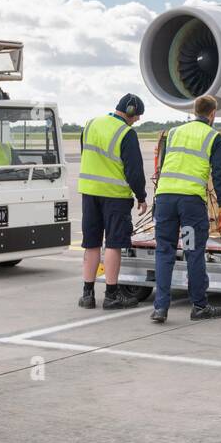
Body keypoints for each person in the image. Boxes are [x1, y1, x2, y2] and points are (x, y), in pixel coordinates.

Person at [150, 93, 221, 323]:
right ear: (212, 114)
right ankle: (199, 306)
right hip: (190, 204)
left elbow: (163, 165)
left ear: (194, 111)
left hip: (165, 199)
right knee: (193, 251)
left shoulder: (173, 133)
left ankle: (160, 308)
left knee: (164, 252)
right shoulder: (213, 137)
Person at [77, 94, 148, 310]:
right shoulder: (126, 133)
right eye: (136, 117)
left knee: (91, 244)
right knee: (114, 244)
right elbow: (134, 170)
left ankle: (87, 295)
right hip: (114, 195)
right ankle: (111, 294)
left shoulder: (90, 125)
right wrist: (141, 196)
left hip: (89, 192)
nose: (135, 121)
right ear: (130, 112)